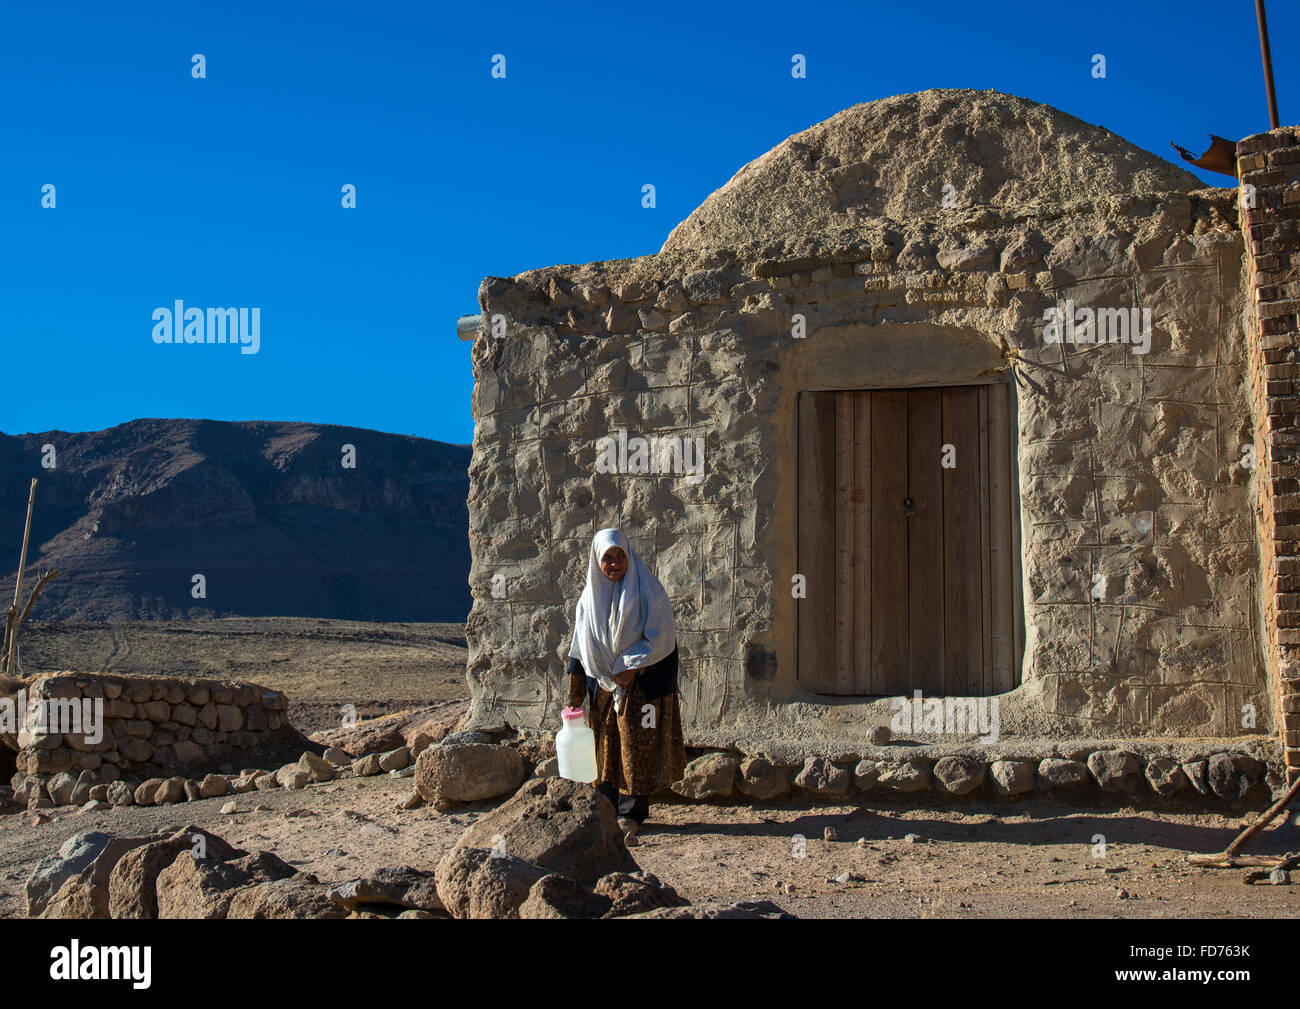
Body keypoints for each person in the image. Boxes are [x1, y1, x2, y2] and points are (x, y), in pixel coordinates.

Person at [566, 527, 686, 846]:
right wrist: (575, 696)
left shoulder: (648, 591)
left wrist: (634, 666)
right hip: (602, 688)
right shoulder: (588, 602)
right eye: (608, 558)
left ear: (629, 557)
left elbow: (662, 638)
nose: (615, 563)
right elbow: (580, 650)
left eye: (620, 556)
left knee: (635, 748)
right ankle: (605, 808)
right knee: (605, 749)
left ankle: (631, 813)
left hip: (640, 689)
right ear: (597, 561)